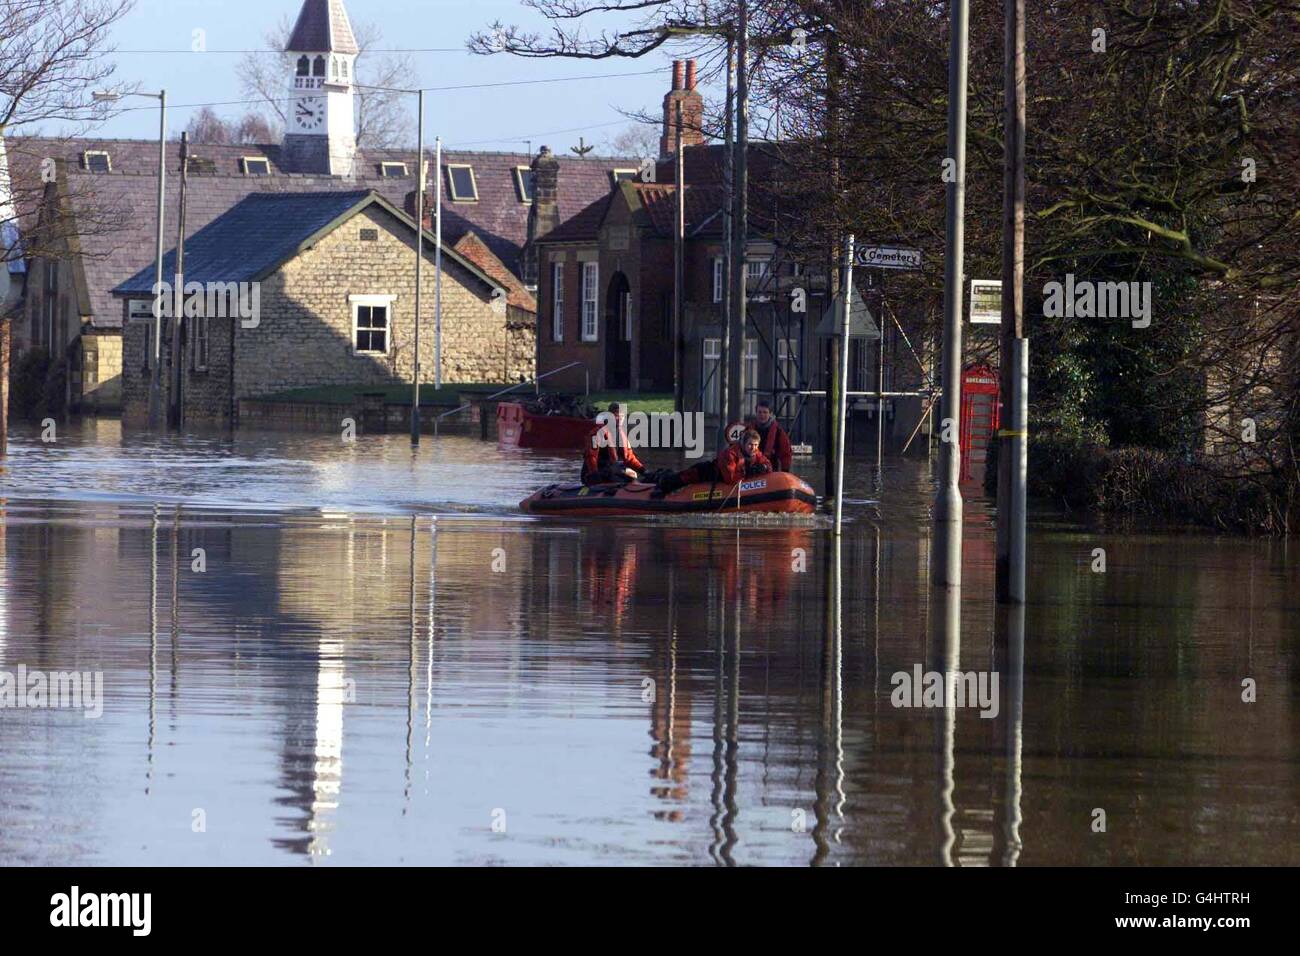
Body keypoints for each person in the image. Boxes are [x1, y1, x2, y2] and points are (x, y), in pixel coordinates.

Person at [653, 429, 770, 496]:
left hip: (727, 478)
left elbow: (768, 465)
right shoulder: (730, 453)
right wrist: (749, 472)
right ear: (743, 444)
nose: (753, 448)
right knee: (686, 476)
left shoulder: (756, 454)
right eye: (750, 444)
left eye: (755, 445)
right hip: (711, 472)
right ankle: (663, 485)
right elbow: (730, 477)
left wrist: (763, 467)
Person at [581, 402, 645, 486]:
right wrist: (594, 474)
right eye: (616, 415)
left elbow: (629, 458)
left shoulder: (622, 435)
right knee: (621, 478)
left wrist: (643, 470)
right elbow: (591, 456)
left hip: (611, 470)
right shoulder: (597, 433)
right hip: (595, 473)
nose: (619, 419)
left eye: (622, 416)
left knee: (633, 474)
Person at [752, 400, 793, 472]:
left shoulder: (778, 432)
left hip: (772, 469)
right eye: (759, 412)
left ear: (770, 414)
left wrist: (785, 470)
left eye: (765, 412)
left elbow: (786, 452)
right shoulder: (750, 429)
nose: (762, 415)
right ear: (756, 413)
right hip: (752, 468)